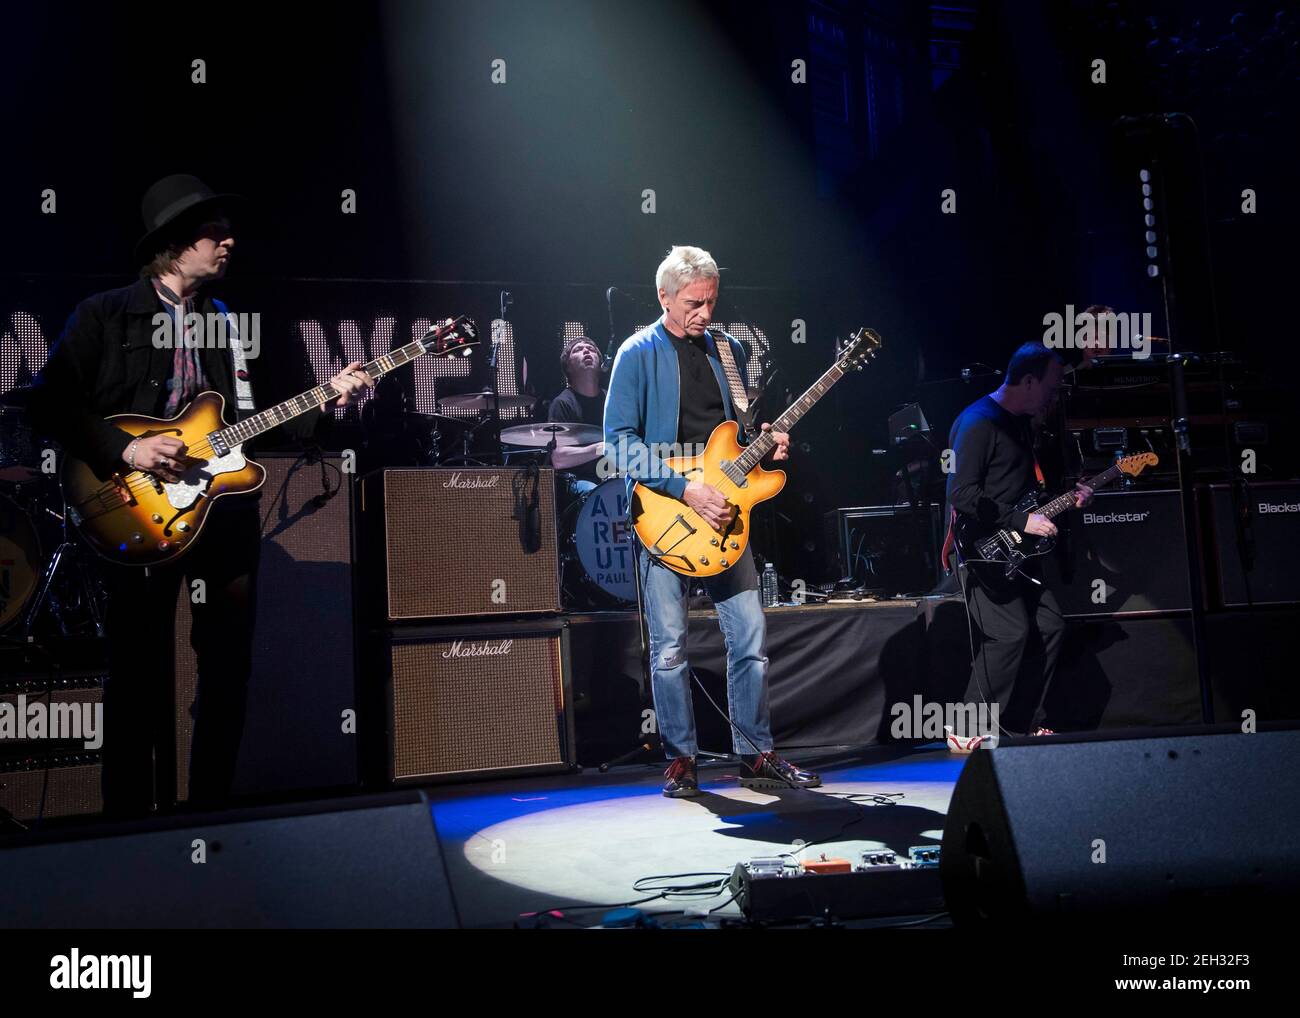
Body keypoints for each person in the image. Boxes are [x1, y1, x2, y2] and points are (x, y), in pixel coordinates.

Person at [28, 174, 373, 816]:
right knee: (136, 675)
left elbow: (248, 423)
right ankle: (128, 825)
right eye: (215, 232)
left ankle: (211, 816)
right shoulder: (106, 315)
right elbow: (47, 401)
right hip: (136, 511)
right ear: (174, 244)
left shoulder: (227, 325)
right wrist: (127, 449)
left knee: (227, 673)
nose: (229, 242)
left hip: (224, 517)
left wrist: (328, 399)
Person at [604, 244, 820, 797]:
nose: (704, 313)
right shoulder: (637, 352)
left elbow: (739, 435)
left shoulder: (728, 350)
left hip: (726, 511)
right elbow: (618, 444)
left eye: (711, 301)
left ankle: (756, 754)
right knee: (670, 646)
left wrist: (768, 447)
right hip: (667, 512)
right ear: (664, 297)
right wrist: (684, 489)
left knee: (750, 638)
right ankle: (681, 759)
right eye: (694, 303)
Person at [946, 342, 1093, 747]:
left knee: (1050, 625)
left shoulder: (1020, 422)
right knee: (1009, 634)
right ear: (1028, 381)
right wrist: (1022, 520)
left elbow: (1018, 488)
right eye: (1051, 385)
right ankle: (965, 729)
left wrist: (1067, 497)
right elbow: (961, 494)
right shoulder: (979, 423)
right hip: (983, 551)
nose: (1054, 393)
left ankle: (1020, 723)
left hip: (1018, 550)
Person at [547, 335, 606, 501]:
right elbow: (558, 458)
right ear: (568, 367)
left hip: (613, 476)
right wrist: (602, 447)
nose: (586, 350)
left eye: (591, 349)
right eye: (578, 350)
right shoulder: (563, 404)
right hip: (579, 480)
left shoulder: (612, 400)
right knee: (594, 493)